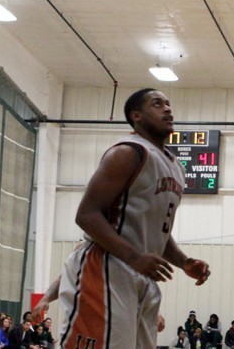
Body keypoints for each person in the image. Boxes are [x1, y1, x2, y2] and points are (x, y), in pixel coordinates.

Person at [56, 88, 211, 349]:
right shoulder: (127, 153)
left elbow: (157, 230)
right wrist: (135, 257)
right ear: (136, 116)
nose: (167, 109)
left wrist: (184, 262)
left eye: (168, 104)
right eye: (157, 104)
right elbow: (86, 215)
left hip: (142, 269)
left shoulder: (175, 166)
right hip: (107, 264)